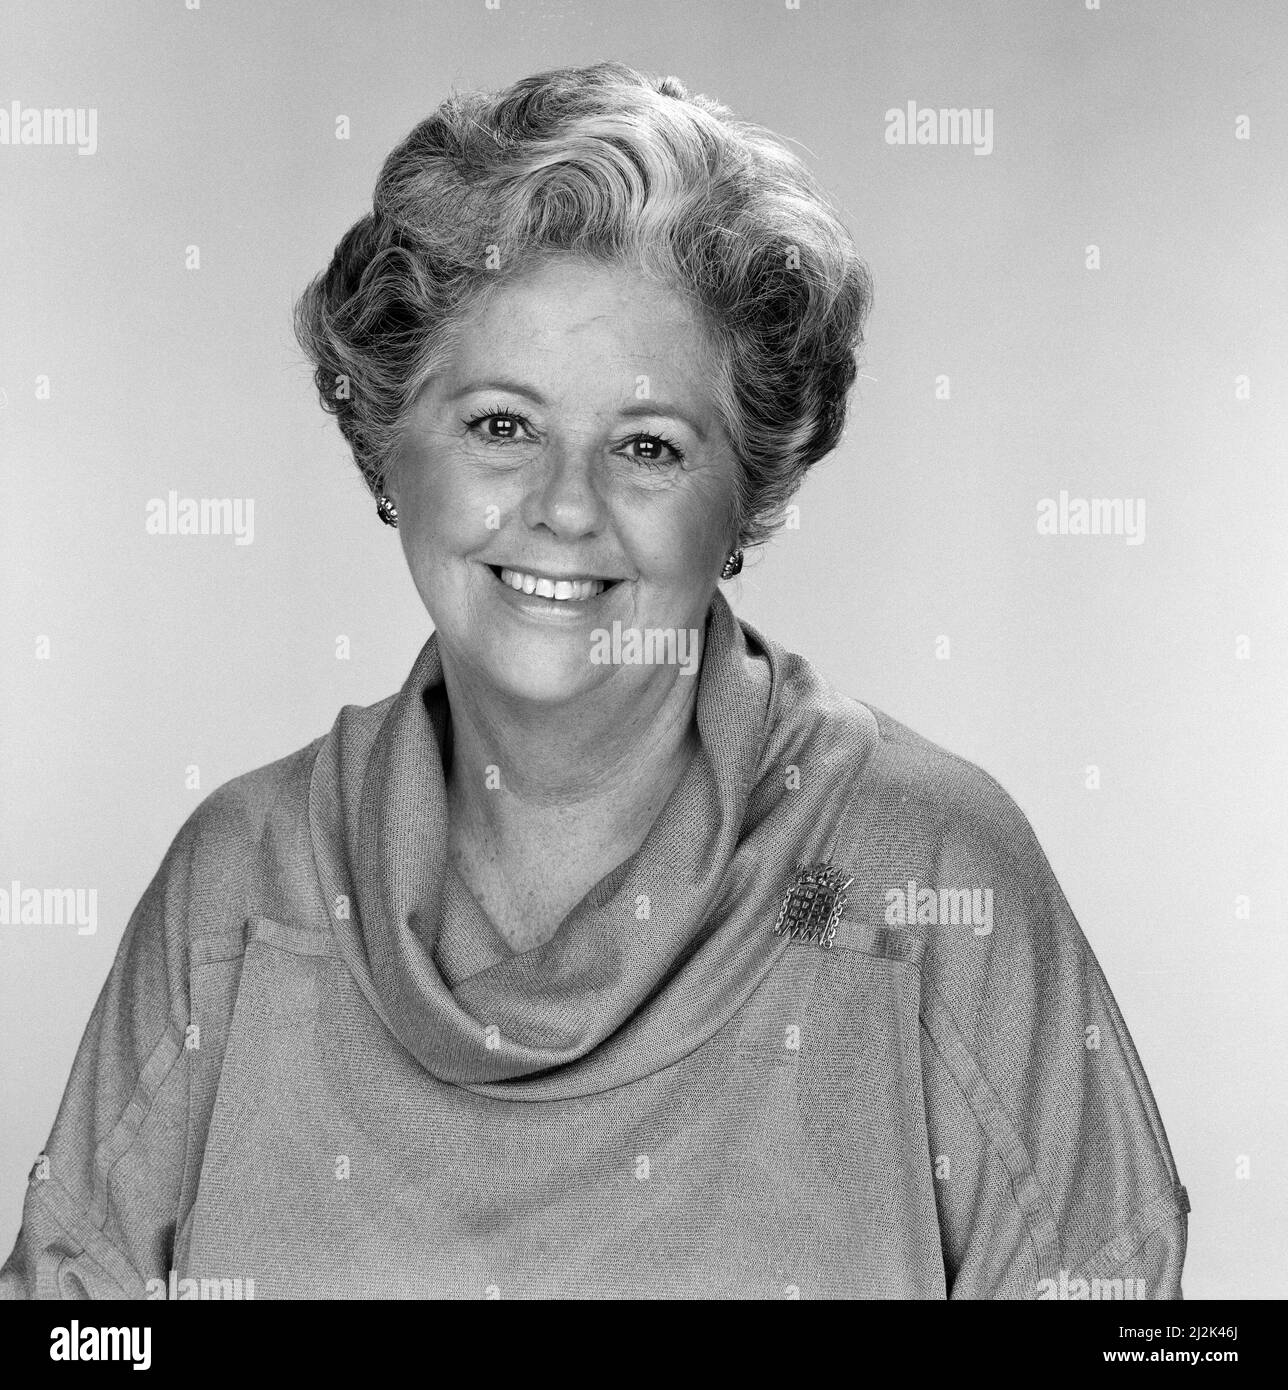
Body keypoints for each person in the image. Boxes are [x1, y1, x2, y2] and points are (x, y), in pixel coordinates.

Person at [1, 61, 1188, 1299]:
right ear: (388, 451)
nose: (566, 507)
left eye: (646, 447)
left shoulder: (928, 873)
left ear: (750, 493)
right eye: (502, 425)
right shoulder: (242, 879)